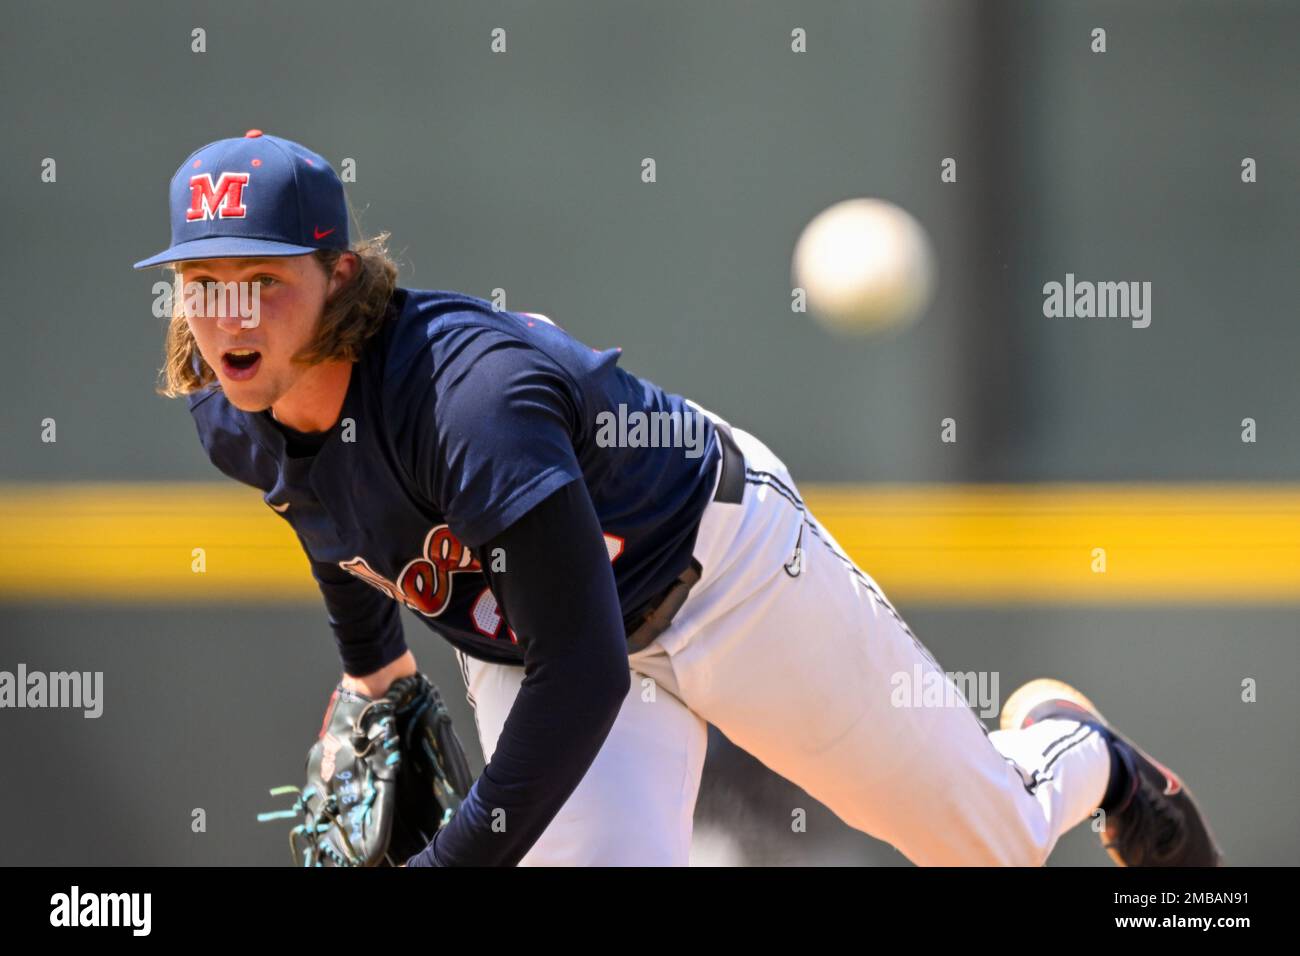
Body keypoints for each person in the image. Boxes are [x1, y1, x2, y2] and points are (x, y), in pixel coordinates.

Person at [134, 130, 1223, 867]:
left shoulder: (464, 398)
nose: (230, 314)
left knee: (991, 838)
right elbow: (333, 521)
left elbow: (587, 667)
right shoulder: (229, 403)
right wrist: (375, 674)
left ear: (340, 277)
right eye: (203, 281)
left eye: (264, 280)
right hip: (545, 642)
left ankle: (1082, 750)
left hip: (723, 580)